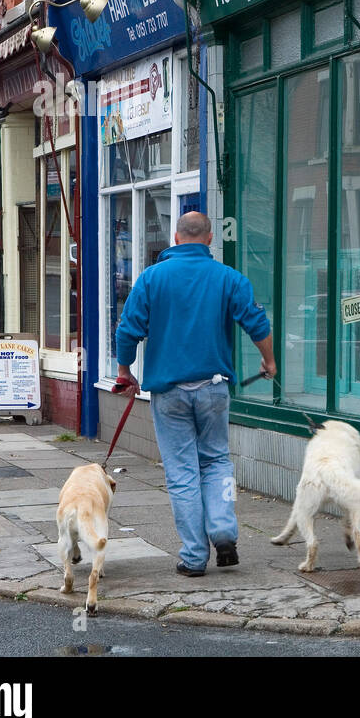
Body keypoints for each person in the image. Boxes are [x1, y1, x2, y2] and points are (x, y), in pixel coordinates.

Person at [114, 212, 276, 577]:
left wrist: (125, 372)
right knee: (217, 461)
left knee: (182, 472)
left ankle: (193, 557)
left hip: (169, 392)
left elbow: (128, 330)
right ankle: (222, 530)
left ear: (175, 237)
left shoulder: (152, 279)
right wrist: (269, 361)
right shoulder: (228, 278)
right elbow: (256, 322)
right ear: (209, 239)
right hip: (214, 387)